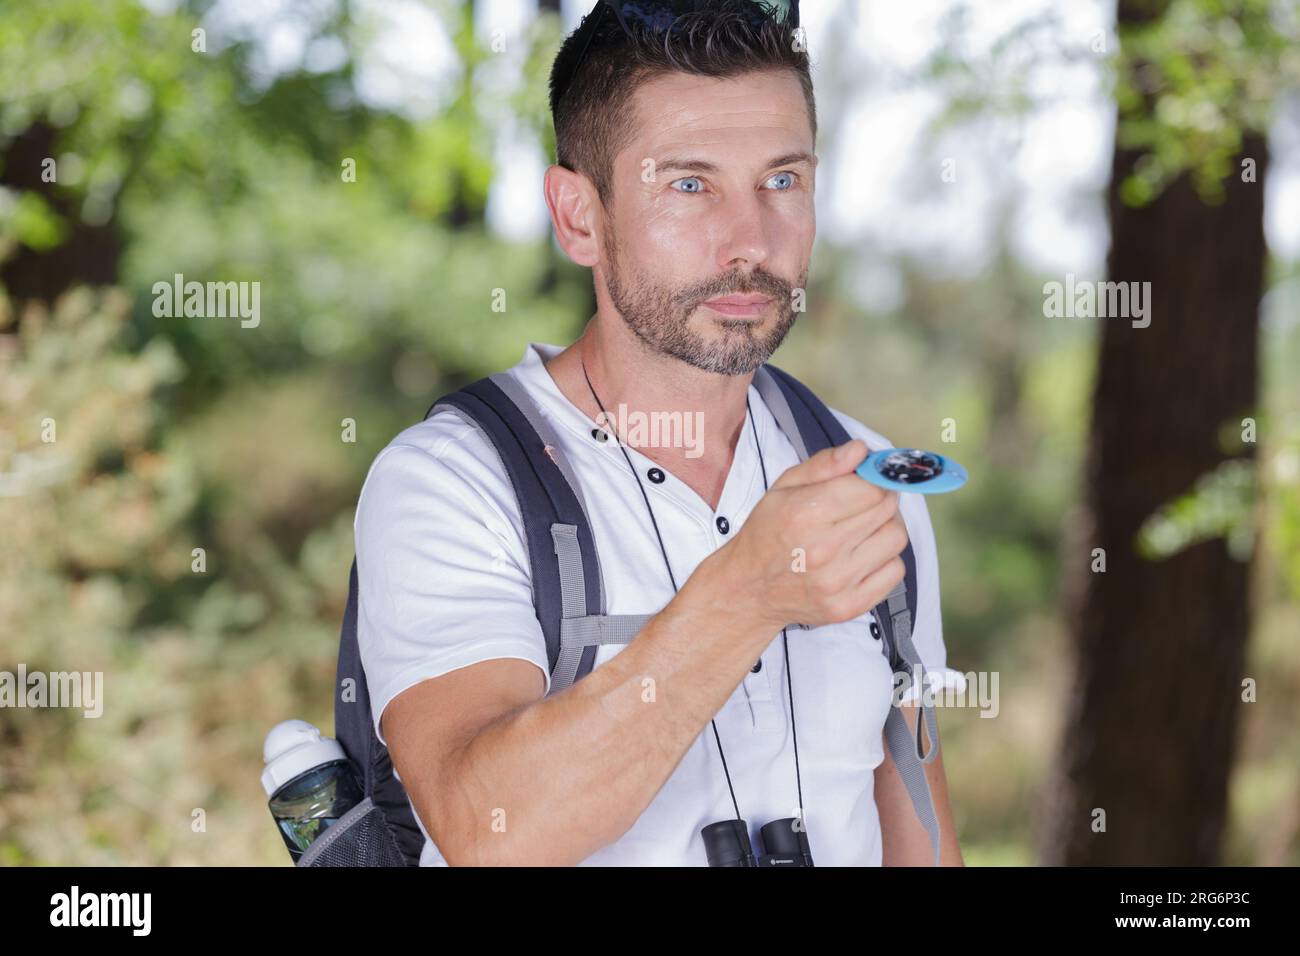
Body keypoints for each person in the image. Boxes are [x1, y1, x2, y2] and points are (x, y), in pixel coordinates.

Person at [354, 0, 965, 866]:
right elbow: (486, 829)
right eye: (689, 184)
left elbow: (922, 833)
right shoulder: (450, 482)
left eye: (782, 180)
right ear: (578, 217)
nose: (750, 240)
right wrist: (746, 597)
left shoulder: (867, 475)